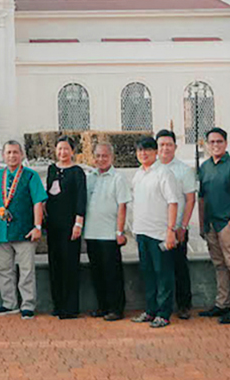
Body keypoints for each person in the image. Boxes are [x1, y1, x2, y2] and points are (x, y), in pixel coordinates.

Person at [197, 127, 230, 324]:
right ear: (207, 145)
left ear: (226, 144)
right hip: (211, 225)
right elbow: (201, 198)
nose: (215, 145)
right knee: (219, 265)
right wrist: (202, 224)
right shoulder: (205, 167)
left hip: (229, 224)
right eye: (212, 142)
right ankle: (222, 303)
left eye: (219, 141)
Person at [0, 140, 47, 319]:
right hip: (2, 232)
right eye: (8, 153)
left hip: (25, 230)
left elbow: (38, 201)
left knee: (26, 269)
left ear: (22, 155)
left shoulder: (31, 176)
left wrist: (38, 226)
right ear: (3, 155)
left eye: (15, 152)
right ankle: (9, 303)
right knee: (3, 269)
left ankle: (28, 304)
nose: (12, 156)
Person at [130, 137, 182, 328]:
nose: (143, 154)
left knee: (163, 274)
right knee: (148, 273)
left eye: (147, 150)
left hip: (159, 232)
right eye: (140, 151)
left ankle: (164, 313)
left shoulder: (164, 173)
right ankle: (150, 311)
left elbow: (173, 203)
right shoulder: (138, 174)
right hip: (141, 232)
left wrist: (171, 231)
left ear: (155, 152)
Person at [84, 141, 131, 321]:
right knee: (97, 273)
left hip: (110, 235)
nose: (101, 159)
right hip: (91, 233)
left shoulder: (118, 178)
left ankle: (116, 309)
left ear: (111, 157)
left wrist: (119, 232)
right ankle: (102, 306)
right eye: (98, 156)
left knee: (113, 274)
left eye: (105, 156)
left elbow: (122, 206)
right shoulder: (90, 177)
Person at [153, 129, 197, 320]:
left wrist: (183, 226)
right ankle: (161, 305)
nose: (165, 148)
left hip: (177, 228)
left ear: (175, 147)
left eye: (169, 144)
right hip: (155, 229)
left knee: (179, 267)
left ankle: (184, 304)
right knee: (159, 269)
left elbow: (190, 200)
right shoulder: (150, 168)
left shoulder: (184, 170)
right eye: (161, 144)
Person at [44, 136, 86, 319]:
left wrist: (78, 223)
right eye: (59, 149)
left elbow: (81, 198)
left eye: (66, 149)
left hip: (70, 225)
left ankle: (70, 307)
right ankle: (58, 305)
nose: (62, 152)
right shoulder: (51, 169)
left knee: (70, 264)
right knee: (55, 264)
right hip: (53, 225)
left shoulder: (77, 172)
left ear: (72, 151)